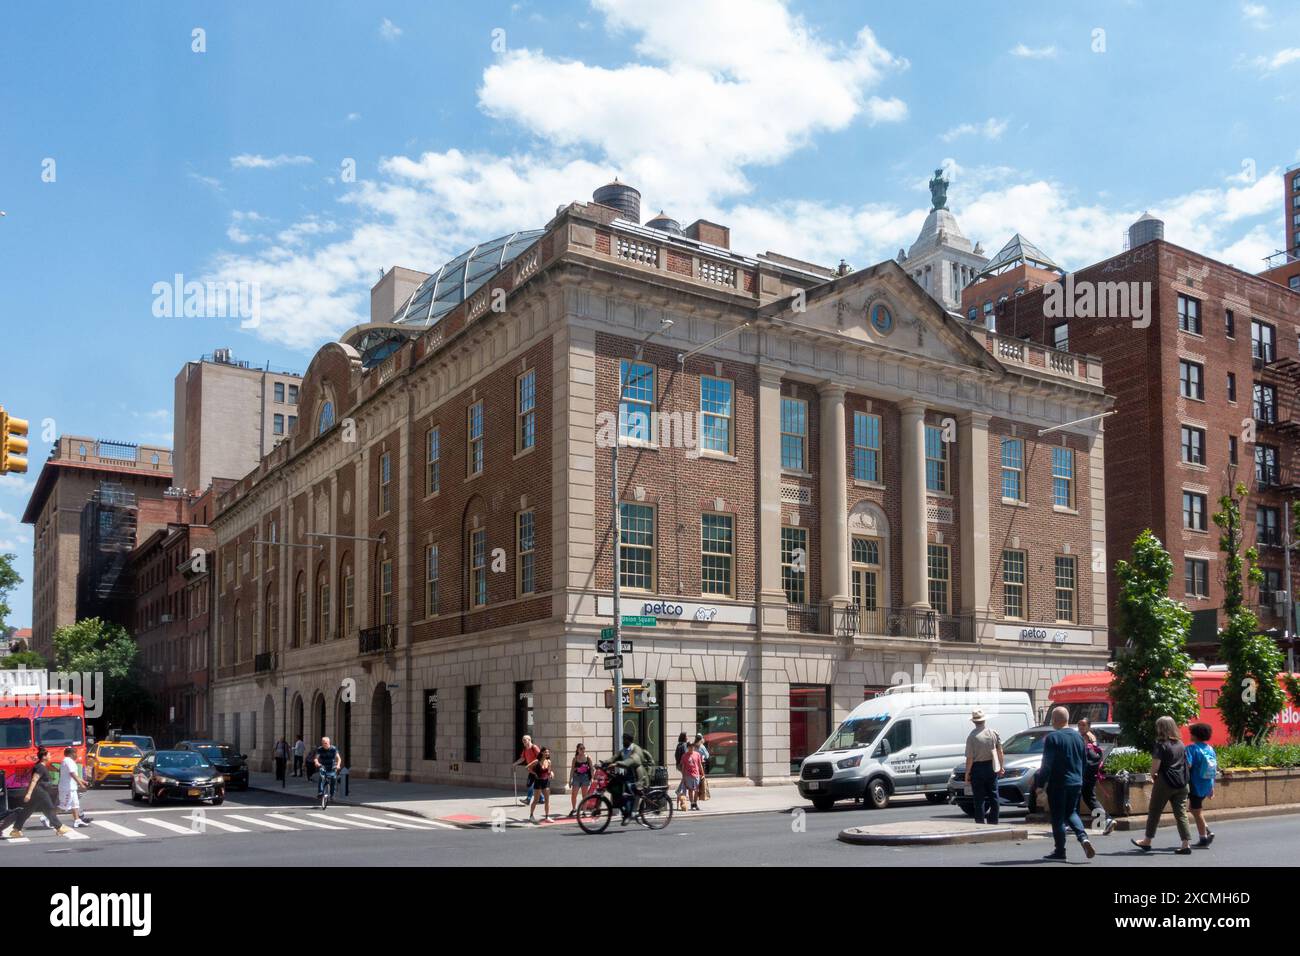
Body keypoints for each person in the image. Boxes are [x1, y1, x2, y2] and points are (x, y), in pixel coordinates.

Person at [1031, 706, 1095, 861]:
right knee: (1071, 812)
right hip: (1076, 782)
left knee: (1058, 817)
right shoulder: (1079, 737)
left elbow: (1047, 765)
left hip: (1059, 783)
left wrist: (1040, 784)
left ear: (1054, 720)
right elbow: (1084, 761)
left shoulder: (1053, 738)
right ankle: (1083, 837)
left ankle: (1060, 851)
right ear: (1067, 719)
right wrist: (1080, 778)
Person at [1132, 716, 1193, 855]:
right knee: (1181, 813)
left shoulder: (1160, 744)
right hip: (1182, 783)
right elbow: (1186, 763)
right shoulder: (1180, 743)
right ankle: (1186, 844)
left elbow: (1155, 767)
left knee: (1155, 811)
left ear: (1161, 728)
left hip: (1165, 782)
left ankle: (1147, 841)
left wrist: (1153, 775)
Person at [3, 748, 70, 838]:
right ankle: (59, 827)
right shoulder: (40, 767)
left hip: (38, 792)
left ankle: (16, 830)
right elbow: (34, 780)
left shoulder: (42, 766)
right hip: (39, 792)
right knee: (49, 808)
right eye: (49, 755)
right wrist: (28, 794)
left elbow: (49, 769)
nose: (50, 756)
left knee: (27, 812)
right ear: (44, 757)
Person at [964, 709, 1005, 825]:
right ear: (984, 720)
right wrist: (1001, 766)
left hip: (977, 768)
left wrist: (967, 773)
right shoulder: (993, 733)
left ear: (974, 722)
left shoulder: (972, 736)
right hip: (991, 766)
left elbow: (970, 758)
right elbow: (1000, 752)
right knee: (994, 795)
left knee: (979, 798)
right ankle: (994, 820)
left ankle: (980, 822)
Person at [1077, 718, 1115, 836]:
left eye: (1083, 725)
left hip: (1085, 773)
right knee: (1088, 798)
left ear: (1088, 726)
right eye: (1079, 725)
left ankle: (1106, 820)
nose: (1081, 727)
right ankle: (1106, 820)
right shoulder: (1087, 737)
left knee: (1084, 797)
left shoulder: (1088, 738)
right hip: (1090, 773)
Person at [606, 732, 651, 826]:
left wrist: (616, 764)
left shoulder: (636, 749)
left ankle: (629, 815)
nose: (623, 741)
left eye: (624, 740)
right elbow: (614, 757)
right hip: (628, 775)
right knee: (616, 787)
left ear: (629, 740)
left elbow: (631, 761)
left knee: (628, 791)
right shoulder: (624, 750)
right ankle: (623, 809)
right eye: (623, 739)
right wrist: (603, 763)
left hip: (639, 777)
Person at [1185, 723, 1217, 848]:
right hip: (1207, 784)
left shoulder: (1191, 749)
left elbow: (1188, 765)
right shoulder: (1210, 749)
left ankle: (1203, 838)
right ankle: (1207, 831)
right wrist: (1211, 787)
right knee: (1193, 809)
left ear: (1195, 735)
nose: (1190, 735)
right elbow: (1213, 769)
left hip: (1195, 784)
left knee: (1197, 812)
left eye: (1191, 733)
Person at [56, 747, 92, 828]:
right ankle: (47, 818)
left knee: (75, 805)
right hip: (67, 788)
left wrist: (84, 782)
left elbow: (74, 775)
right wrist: (81, 785)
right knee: (63, 807)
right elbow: (72, 774)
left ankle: (77, 821)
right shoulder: (68, 761)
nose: (77, 755)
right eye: (76, 753)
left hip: (72, 788)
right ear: (72, 754)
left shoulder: (69, 761)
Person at [527, 747, 554, 823]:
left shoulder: (549, 761)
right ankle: (531, 816)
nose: (547, 753)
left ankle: (547, 817)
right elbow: (528, 768)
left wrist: (551, 773)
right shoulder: (537, 761)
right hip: (538, 781)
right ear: (542, 753)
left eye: (548, 752)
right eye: (545, 752)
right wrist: (534, 773)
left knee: (547, 800)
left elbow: (549, 771)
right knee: (536, 800)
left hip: (546, 782)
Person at [313, 736, 342, 802]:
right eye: (323, 743)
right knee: (321, 777)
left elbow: (339, 759)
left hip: (332, 766)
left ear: (329, 743)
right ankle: (320, 792)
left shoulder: (333, 749)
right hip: (323, 766)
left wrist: (338, 765)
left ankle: (332, 795)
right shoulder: (320, 749)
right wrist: (316, 762)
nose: (324, 744)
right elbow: (316, 758)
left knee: (334, 779)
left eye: (325, 743)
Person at [513, 735, 540, 807]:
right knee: (535, 785)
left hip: (537, 769)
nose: (523, 741)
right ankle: (542, 798)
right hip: (531, 770)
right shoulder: (525, 749)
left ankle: (528, 799)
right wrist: (515, 764)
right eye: (523, 740)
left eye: (525, 740)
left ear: (529, 740)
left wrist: (530, 764)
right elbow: (522, 758)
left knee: (530, 784)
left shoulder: (534, 747)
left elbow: (540, 758)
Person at [568, 743, 593, 816]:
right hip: (576, 777)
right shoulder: (575, 758)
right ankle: (574, 809)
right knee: (573, 794)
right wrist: (570, 780)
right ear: (578, 750)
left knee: (584, 795)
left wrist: (592, 778)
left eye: (583, 748)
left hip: (585, 777)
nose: (583, 750)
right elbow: (572, 769)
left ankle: (584, 811)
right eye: (581, 749)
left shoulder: (588, 758)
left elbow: (591, 768)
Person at [681, 739, 704, 810]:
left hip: (696, 774)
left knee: (696, 790)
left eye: (692, 746)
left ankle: (695, 803)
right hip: (688, 775)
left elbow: (700, 764)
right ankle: (692, 804)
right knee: (690, 790)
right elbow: (683, 767)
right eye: (690, 746)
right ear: (687, 747)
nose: (691, 748)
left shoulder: (697, 754)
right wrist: (683, 777)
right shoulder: (684, 756)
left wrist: (702, 773)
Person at [674, 732, 690, 810]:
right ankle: (680, 791)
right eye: (687, 736)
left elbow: (675, 755)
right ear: (684, 737)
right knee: (685, 778)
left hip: (679, 765)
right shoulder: (684, 745)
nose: (688, 737)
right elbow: (686, 755)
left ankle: (681, 792)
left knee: (685, 778)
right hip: (683, 765)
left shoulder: (679, 744)